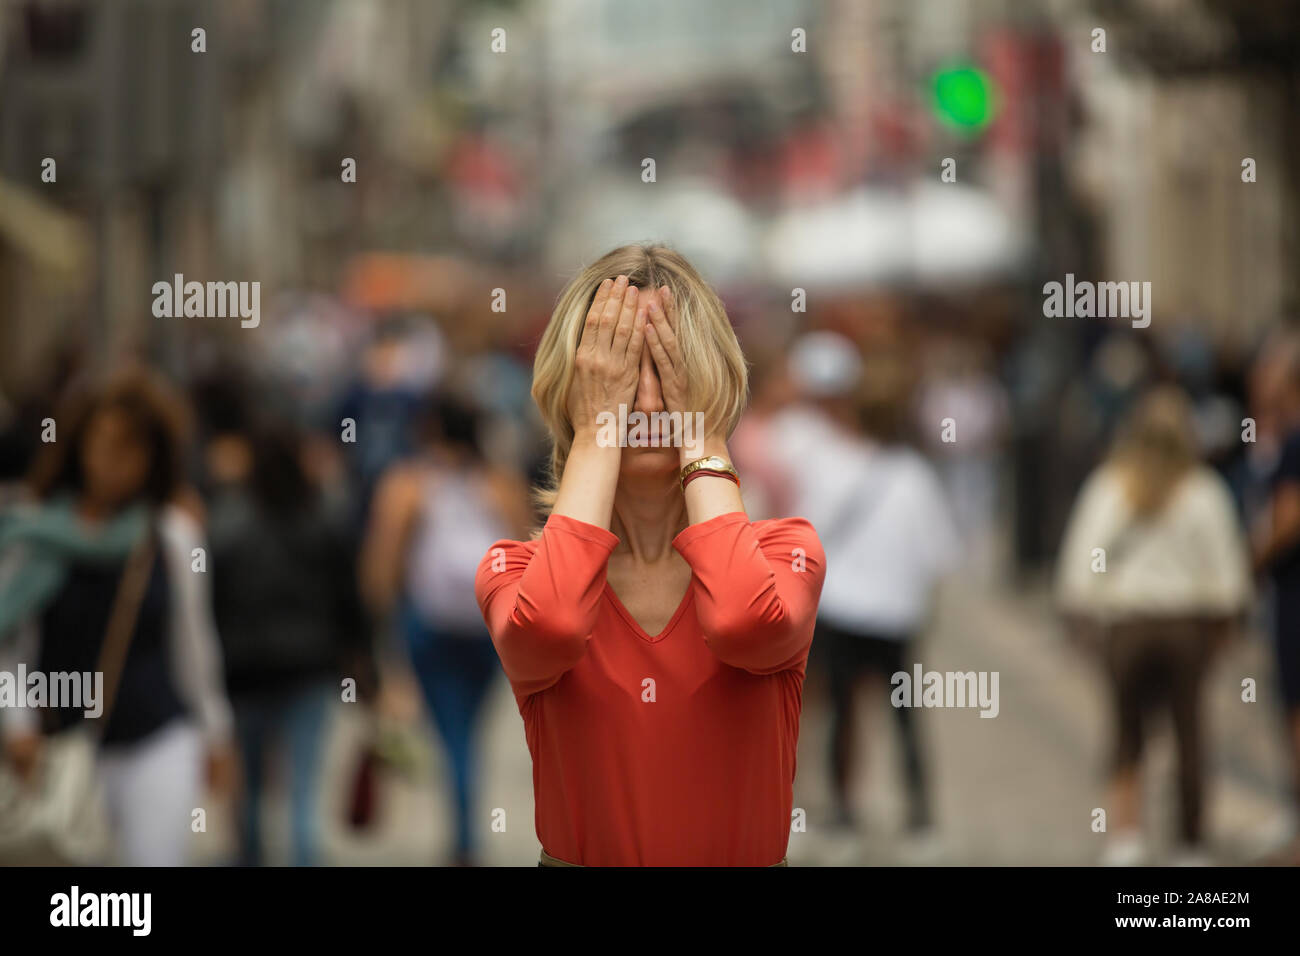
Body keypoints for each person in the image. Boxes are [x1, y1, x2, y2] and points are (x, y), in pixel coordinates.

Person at [474, 245, 825, 867]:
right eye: (615, 371)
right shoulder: (516, 572)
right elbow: (551, 626)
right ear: (572, 388)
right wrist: (596, 437)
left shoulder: (786, 554)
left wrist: (703, 438)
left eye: (666, 367)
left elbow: (746, 622)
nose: (645, 403)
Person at [0, 367, 236, 866]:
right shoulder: (34, 536)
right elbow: (12, 641)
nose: (113, 462)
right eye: (103, 444)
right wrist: (16, 720)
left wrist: (216, 733)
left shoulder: (171, 537)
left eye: (129, 449)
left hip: (156, 737)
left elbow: (193, 644)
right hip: (58, 745)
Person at [770, 337, 959, 851]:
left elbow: (801, 537)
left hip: (840, 611)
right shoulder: (915, 476)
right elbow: (940, 556)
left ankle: (843, 817)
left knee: (840, 715)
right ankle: (920, 819)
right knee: (905, 720)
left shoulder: (824, 464)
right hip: (897, 615)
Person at [1057, 385, 1252, 866]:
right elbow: (1227, 571)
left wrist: (1082, 615)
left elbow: (1083, 563)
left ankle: (1126, 834)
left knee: (1126, 732)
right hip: (1187, 627)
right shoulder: (1204, 491)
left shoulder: (1110, 486)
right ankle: (1190, 842)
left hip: (1127, 627)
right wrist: (1227, 624)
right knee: (1190, 733)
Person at [361, 391, 530, 866]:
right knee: (466, 730)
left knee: (451, 731)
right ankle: (465, 831)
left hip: (428, 626)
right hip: (486, 630)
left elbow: (382, 563)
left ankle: (464, 839)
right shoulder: (500, 483)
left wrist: (382, 627)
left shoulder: (408, 484)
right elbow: (524, 551)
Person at [206, 420, 367, 866]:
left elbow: (211, 606)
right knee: (302, 787)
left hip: (244, 673)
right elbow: (349, 601)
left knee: (252, 786)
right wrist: (363, 664)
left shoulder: (227, 523)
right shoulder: (324, 519)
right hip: (309, 668)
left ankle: (249, 855)